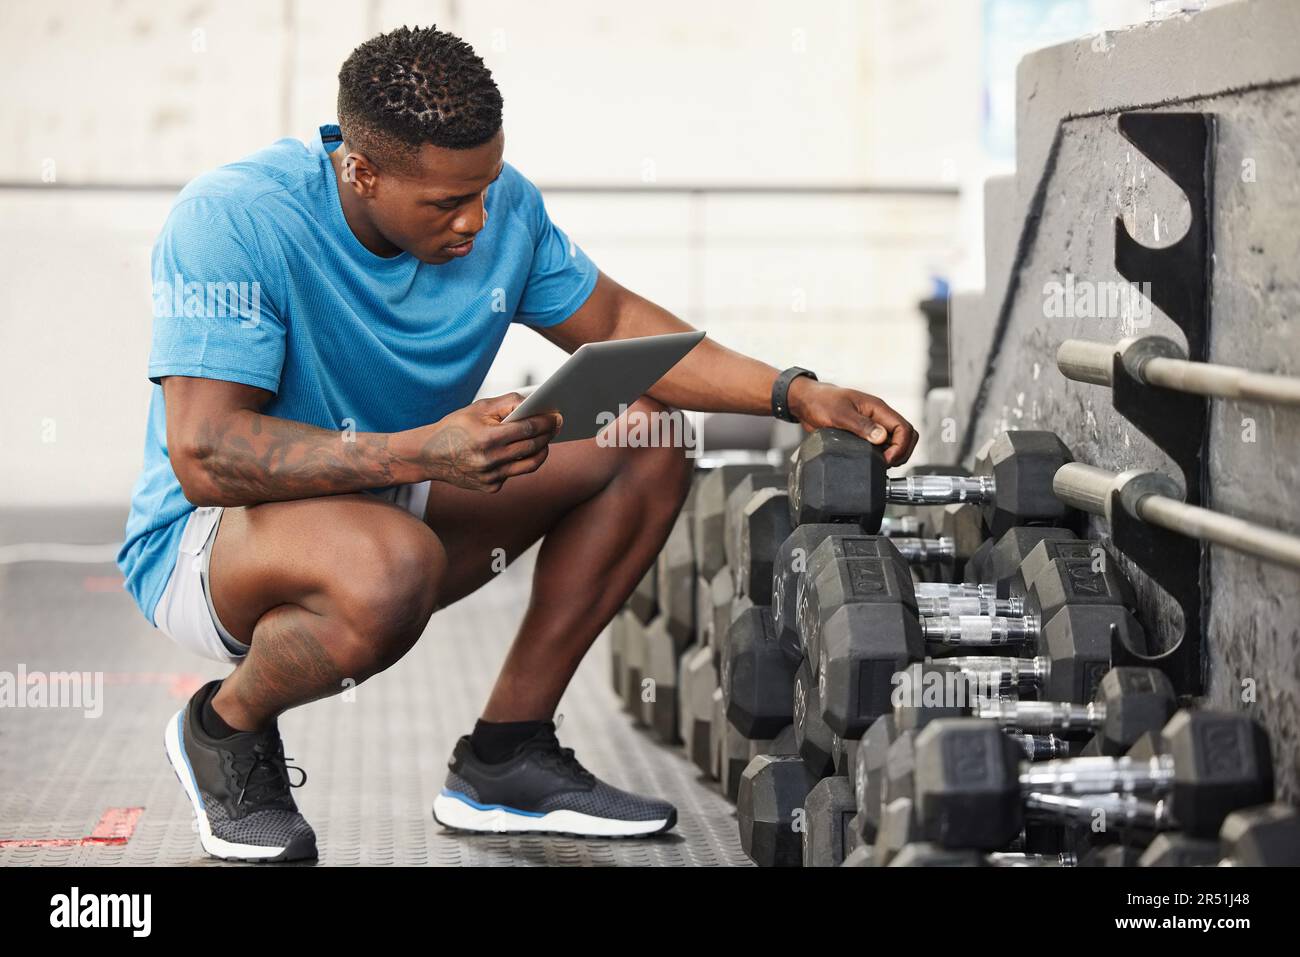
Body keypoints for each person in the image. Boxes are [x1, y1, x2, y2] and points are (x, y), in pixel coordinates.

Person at [118, 25, 917, 862]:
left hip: (394, 491)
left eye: (486, 187)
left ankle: (505, 756)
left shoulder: (502, 211)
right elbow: (206, 455)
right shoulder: (235, 219)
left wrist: (794, 391)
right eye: (443, 204)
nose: (475, 220)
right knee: (392, 565)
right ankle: (224, 728)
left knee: (645, 431)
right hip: (213, 540)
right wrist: (420, 453)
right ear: (361, 171)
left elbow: (613, 322)